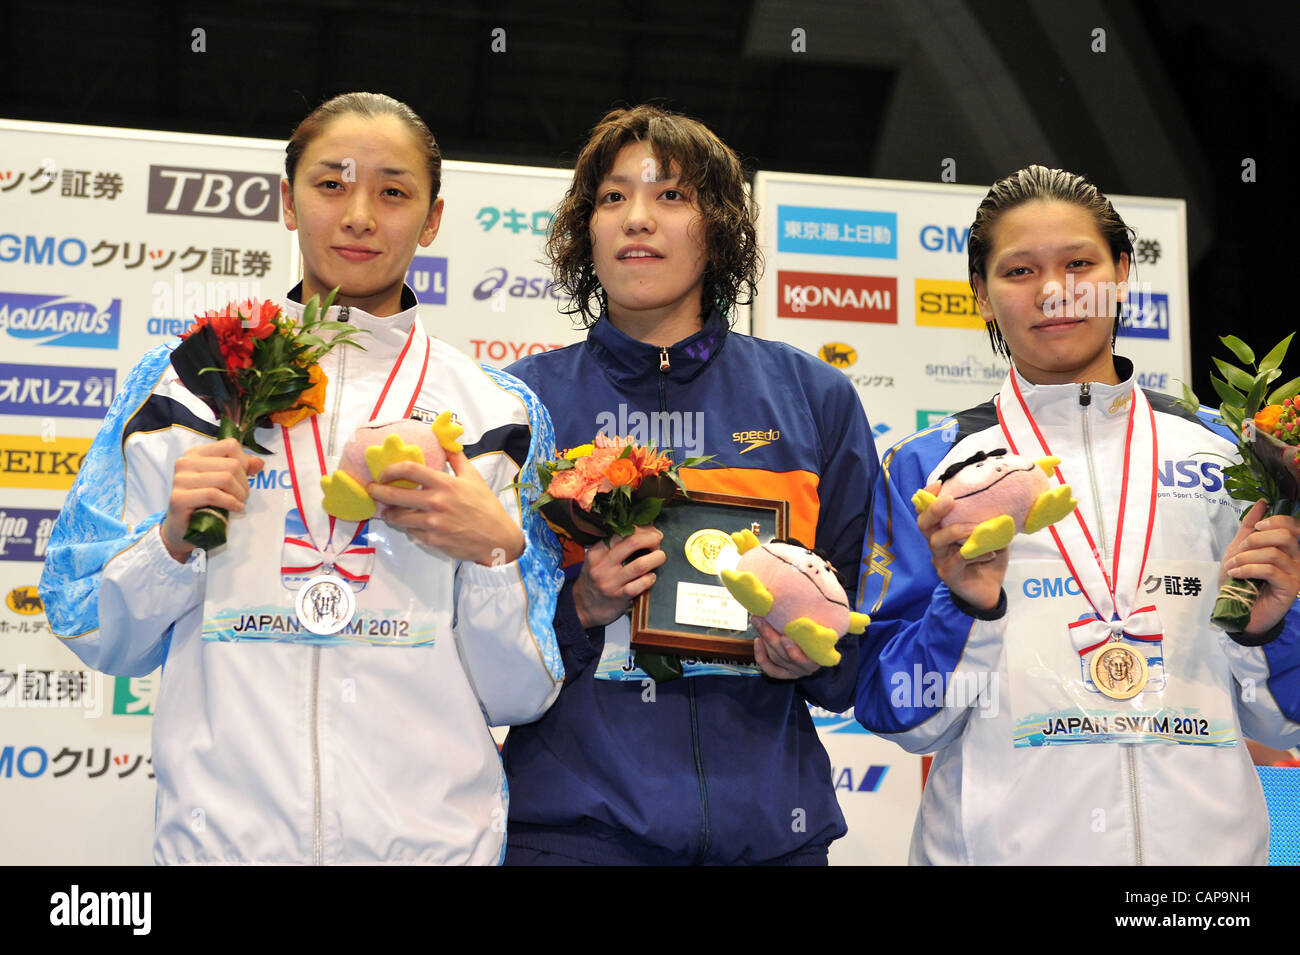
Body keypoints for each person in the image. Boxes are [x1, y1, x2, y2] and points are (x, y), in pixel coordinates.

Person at [38, 92, 563, 865]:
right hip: (221, 849)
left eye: (392, 191)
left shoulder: (495, 412)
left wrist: (495, 555)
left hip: (432, 850)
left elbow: (521, 692)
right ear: (286, 201)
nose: (358, 215)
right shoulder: (189, 385)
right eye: (330, 184)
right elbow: (91, 627)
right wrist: (169, 544)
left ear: (432, 219)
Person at [854, 164, 1300, 864]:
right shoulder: (928, 466)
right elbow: (900, 713)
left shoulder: (1229, 453)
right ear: (980, 294)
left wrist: (1272, 625)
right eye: (1020, 270)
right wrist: (966, 607)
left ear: (1122, 271)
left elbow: (1282, 717)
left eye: (1080, 263)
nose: (1055, 291)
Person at [501, 105, 878, 865]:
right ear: (586, 231)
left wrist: (817, 649)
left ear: (722, 228)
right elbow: (481, 645)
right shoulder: (520, 405)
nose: (637, 218)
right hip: (575, 837)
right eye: (612, 198)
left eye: (671, 196)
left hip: (775, 835)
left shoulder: (814, 398)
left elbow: (862, 641)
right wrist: (581, 607)